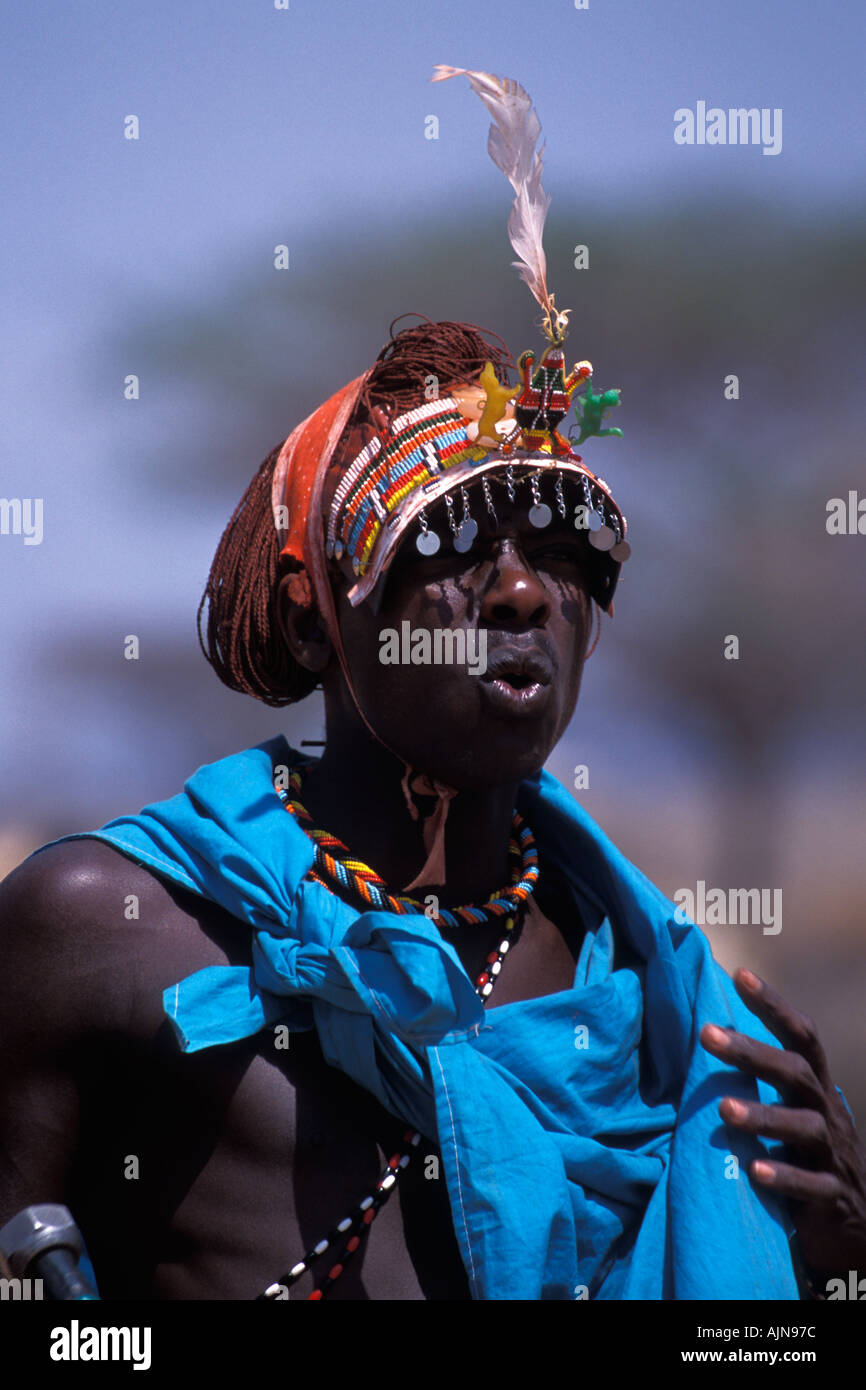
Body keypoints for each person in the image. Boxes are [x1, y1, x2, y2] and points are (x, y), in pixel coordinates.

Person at [1, 316, 864, 1301]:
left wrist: (836, 1259)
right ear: (311, 625)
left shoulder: (657, 1001)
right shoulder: (101, 932)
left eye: (564, 545)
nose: (520, 593)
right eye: (447, 539)